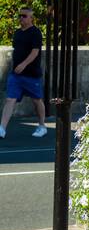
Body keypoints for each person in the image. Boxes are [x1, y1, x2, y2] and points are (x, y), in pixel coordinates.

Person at [0, 7, 47, 138]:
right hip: (16, 75)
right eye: (20, 16)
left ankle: (42, 126)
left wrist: (24, 64)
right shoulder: (17, 33)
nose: (21, 18)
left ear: (31, 18)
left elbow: (35, 51)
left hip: (32, 75)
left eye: (24, 16)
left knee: (37, 100)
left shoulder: (35, 33)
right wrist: (17, 65)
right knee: (10, 99)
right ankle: (2, 128)